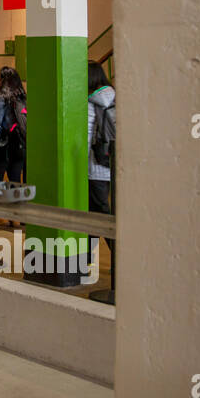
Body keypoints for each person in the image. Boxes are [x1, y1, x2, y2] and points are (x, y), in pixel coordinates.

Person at [88, 61, 116, 259]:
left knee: (100, 211)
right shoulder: (115, 98)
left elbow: (86, 136)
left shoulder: (90, 104)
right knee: (94, 211)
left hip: (95, 167)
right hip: (112, 165)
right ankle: (87, 255)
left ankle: (119, 254)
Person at [0, 66, 27, 184]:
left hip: (3, 145)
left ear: (4, 81)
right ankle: (16, 203)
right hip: (19, 143)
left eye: (0, 78)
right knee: (15, 180)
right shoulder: (23, 97)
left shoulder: (1, 98)